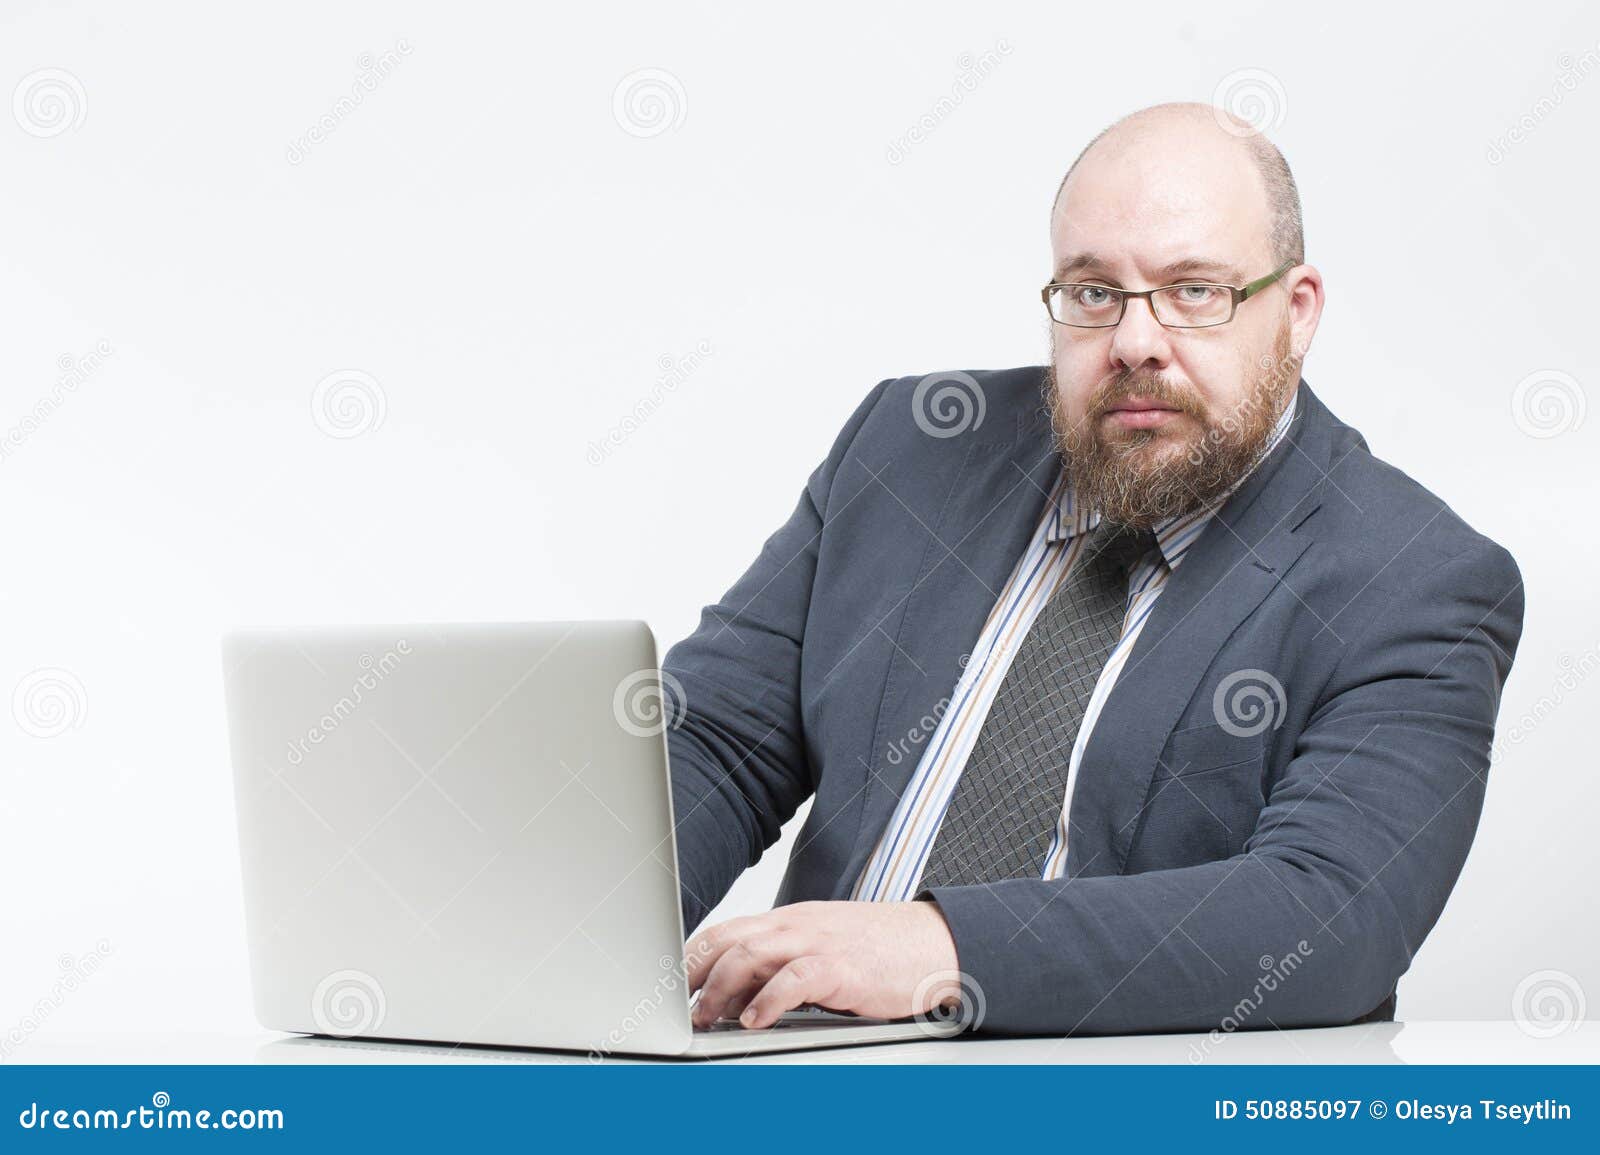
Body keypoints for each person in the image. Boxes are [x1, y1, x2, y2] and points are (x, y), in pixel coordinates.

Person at [663, 102, 1524, 1036]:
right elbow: (711, 741)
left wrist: (939, 948)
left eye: (1195, 291)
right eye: (1093, 292)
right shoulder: (906, 451)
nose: (1135, 341)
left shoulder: (1417, 578)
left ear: (1298, 309)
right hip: (799, 1072)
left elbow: (1326, 915)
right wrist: (560, 925)